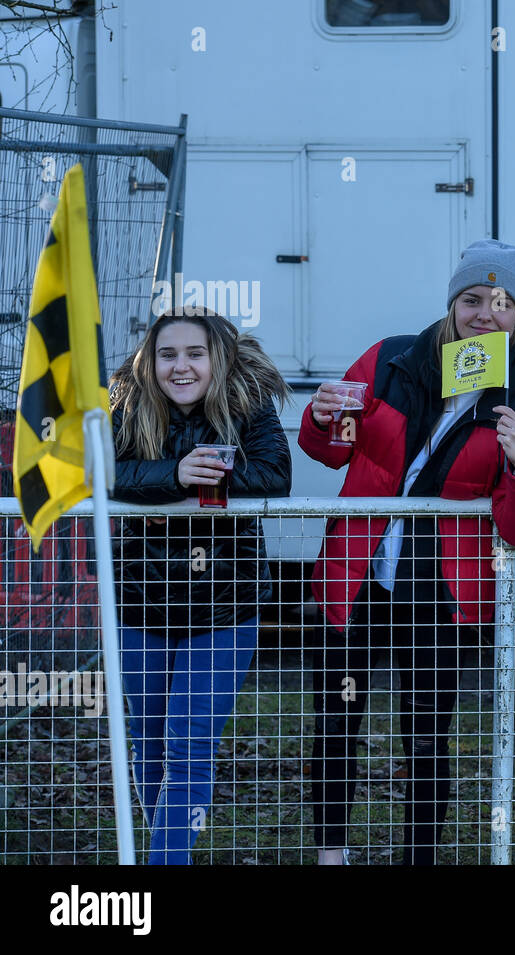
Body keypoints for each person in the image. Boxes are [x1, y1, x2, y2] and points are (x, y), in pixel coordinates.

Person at [302, 239, 515, 865]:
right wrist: (320, 414)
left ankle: (418, 856)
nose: (485, 315)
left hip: (443, 595)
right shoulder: (390, 360)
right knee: (337, 723)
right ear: (452, 303)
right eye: (472, 299)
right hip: (356, 575)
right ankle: (331, 855)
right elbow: (330, 450)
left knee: (425, 738)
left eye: (502, 304)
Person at [110, 306, 291, 864]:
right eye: (168, 354)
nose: (181, 367)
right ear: (150, 361)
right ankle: (172, 847)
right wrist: (173, 477)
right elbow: (99, 471)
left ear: (218, 358)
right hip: (142, 601)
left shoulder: (248, 401)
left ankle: (166, 863)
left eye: (195, 354)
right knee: (150, 744)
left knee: (190, 742)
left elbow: (275, 476)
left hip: (224, 605)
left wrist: (201, 473)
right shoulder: (124, 402)